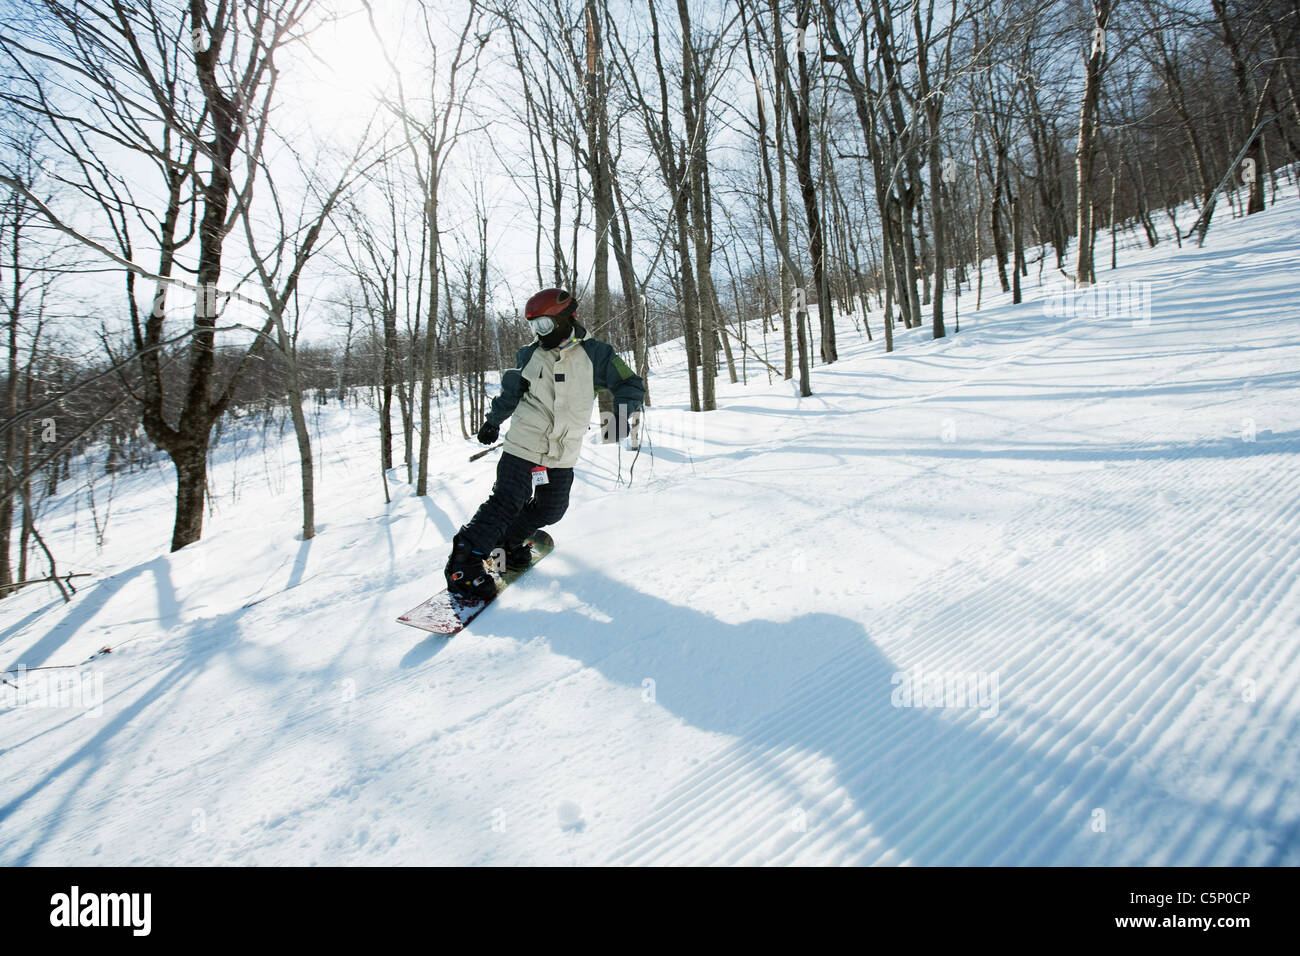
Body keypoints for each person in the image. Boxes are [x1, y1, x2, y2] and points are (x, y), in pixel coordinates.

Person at [444, 288, 645, 600]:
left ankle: (509, 544)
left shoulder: (596, 355)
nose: (539, 333)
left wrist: (616, 424)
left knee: (552, 509)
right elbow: (511, 392)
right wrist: (493, 421)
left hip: (562, 453)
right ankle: (463, 567)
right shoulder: (529, 355)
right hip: (525, 443)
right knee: (508, 500)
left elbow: (630, 384)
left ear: (566, 319)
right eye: (534, 327)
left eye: (544, 325)